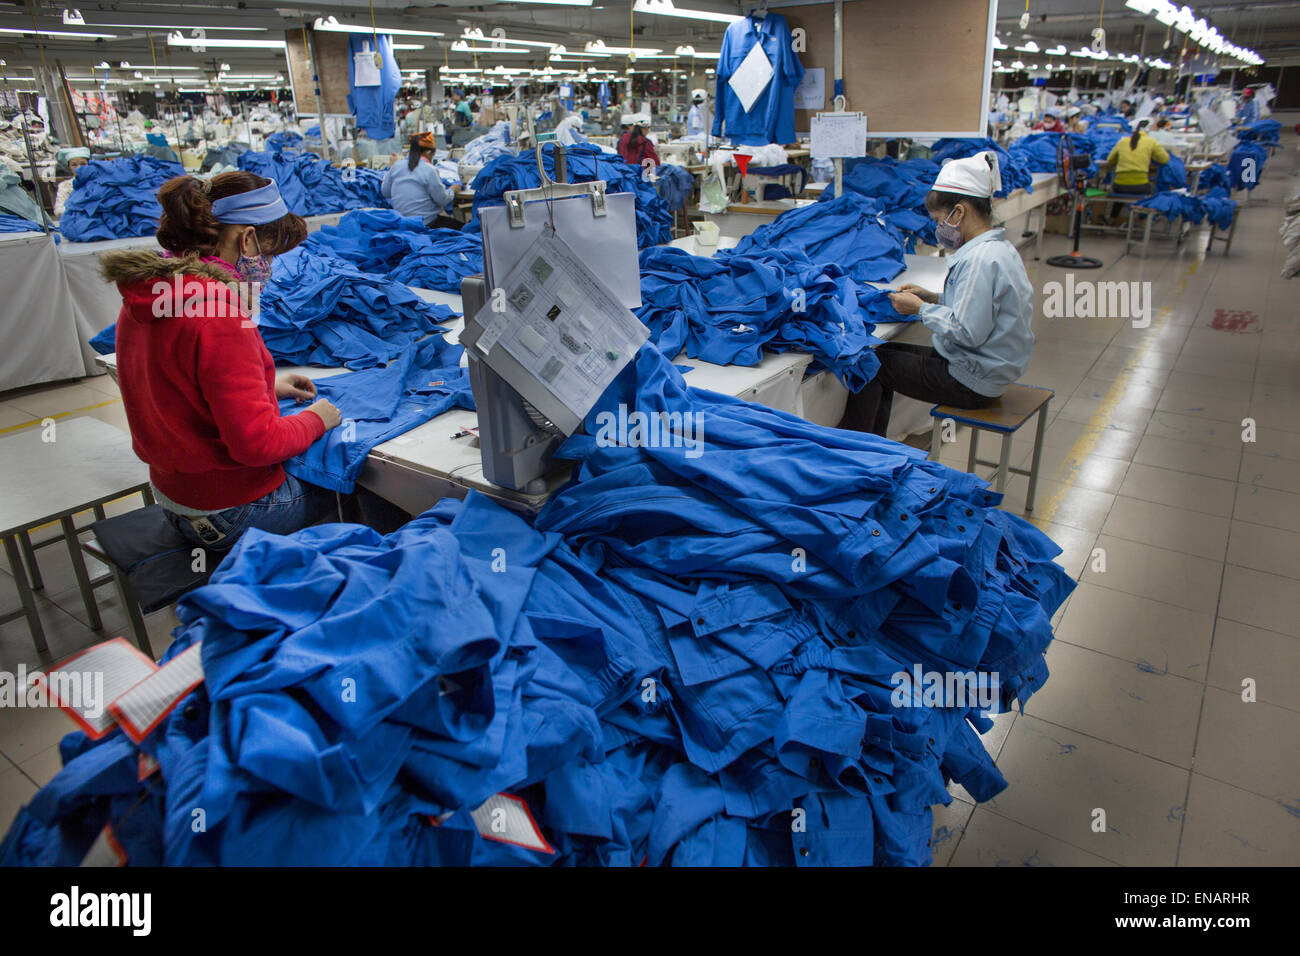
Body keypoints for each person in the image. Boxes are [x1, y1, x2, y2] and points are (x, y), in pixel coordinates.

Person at [99, 172, 342, 550]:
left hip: (174, 499)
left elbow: (171, 380)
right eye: (270, 252)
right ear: (245, 239)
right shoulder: (219, 314)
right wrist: (317, 420)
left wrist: (265, 385)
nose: (270, 265)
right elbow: (256, 445)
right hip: (231, 512)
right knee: (348, 484)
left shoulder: (154, 292)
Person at [839, 152, 1033, 438]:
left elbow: (967, 331)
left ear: (960, 212)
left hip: (971, 380)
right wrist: (932, 298)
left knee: (868, 364)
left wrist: (919, 309)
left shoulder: (978, 261)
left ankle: (856, 456)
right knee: (878, 354)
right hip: (986, 369)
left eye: (939, 219)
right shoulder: (999, 251)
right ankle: (873, 448)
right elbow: (981, 311)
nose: (938, 227)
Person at [381, 131, 459, 229]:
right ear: (428, 152)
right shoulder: (429, 169)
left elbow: (385, 192)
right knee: (463, 228)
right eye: (432, 155)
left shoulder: (396, 166)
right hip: (425, 223)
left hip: (402, 222)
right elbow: (442, 199)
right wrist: (453, 190)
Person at [1099, 119, 1169, 197]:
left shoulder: (1122, 141)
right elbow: (1164, 160)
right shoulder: (1151, 142)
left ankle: (1117, 209)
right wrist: (1151, 156)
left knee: (1119, 200)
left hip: (1119, 186)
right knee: (1152, 190)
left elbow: (1110, 160)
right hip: (1140, 186)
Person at [54, 147, 90, 218]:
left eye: (83, 164)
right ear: (69, 167)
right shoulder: (65, 186)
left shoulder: (97, 183)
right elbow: (58, 211)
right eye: (74, 165)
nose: (79, 167)